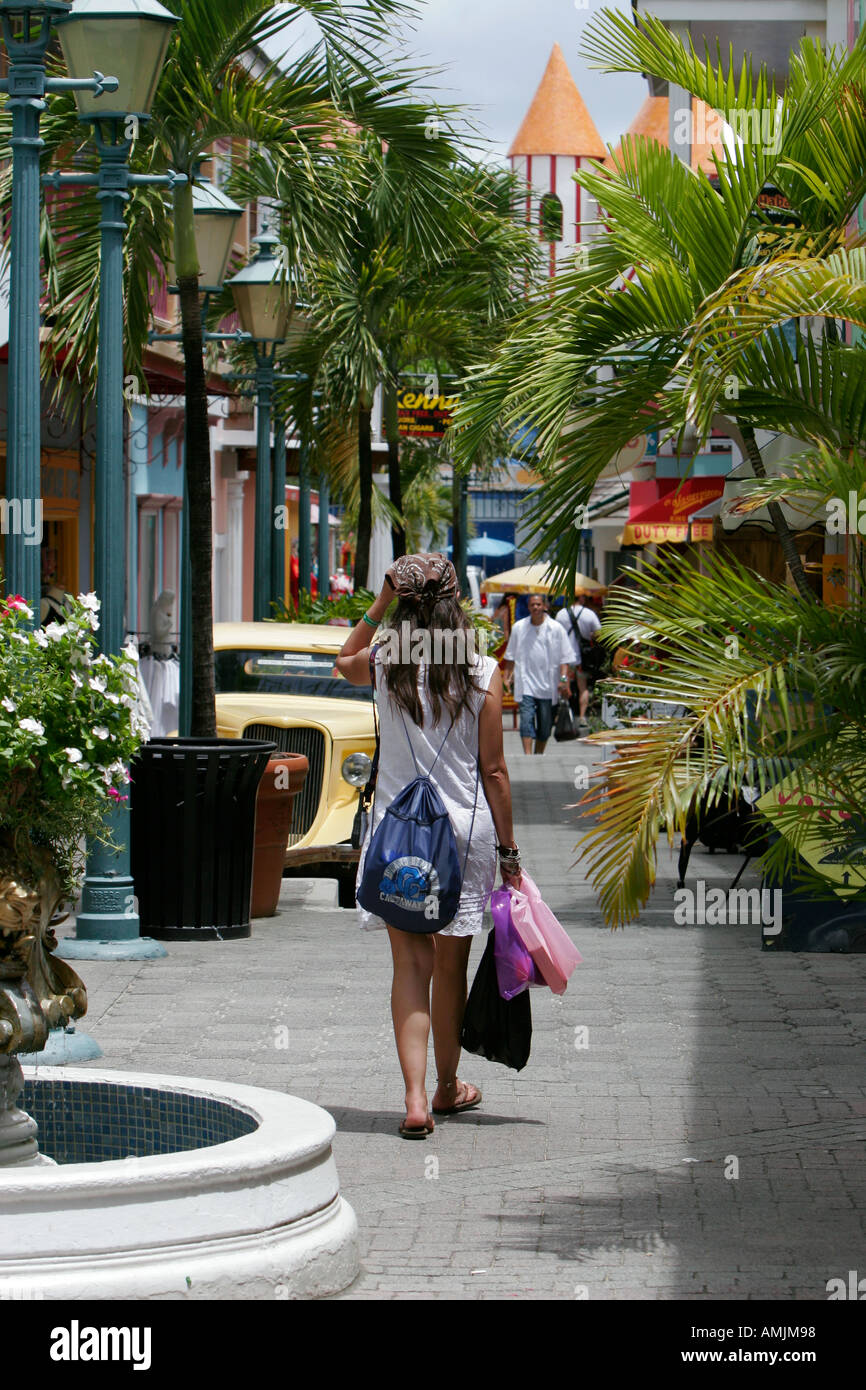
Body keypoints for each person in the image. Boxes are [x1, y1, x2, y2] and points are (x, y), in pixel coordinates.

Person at [336, 553, 522, 1139]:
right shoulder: (479, 669)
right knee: (451, 964)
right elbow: (493, 771)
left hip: (401, 833)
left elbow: (343, 661)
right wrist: (510, 854)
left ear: (406, 606)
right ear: (455, 606)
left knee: (410, 967)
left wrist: (382, 601)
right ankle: (447, 1087)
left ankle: (415, 1099)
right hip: (465, 835)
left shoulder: (387, 659)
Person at [502, 593, 572, 755]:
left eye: (538, 604)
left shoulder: (556, 628)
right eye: (532, 605)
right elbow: (510, 656)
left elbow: (565, 657)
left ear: (544, 606)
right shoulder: (519, 628)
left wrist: (563, 679)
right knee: (526, 720)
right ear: (528, 607)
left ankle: (538, 755)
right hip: (526, 684)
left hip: (548, 686)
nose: (535, 607)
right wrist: (507, 678)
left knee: (545, 727)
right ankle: (528, 756)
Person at [556, 595, 602, 730]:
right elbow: (599, 634)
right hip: (582, 659)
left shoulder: (561, 614)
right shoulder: (589, 614)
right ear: (581, 599)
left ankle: (562, 714)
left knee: (564, 685)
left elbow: (556, 634)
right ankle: (582, 716)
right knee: (583, 688)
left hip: (565, 659)